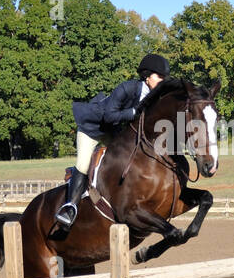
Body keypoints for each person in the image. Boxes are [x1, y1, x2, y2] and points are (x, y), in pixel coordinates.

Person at [50, 54, 171, 238]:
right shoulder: (127, 88)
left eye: (164, 78)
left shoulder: (156, 97)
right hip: (93, 128)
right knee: (83, 165)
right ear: (147, 76)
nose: (163, 81)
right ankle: (70, 208)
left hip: (114, 133)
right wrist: (133, 112)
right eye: (159, 77)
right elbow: (109, 116)